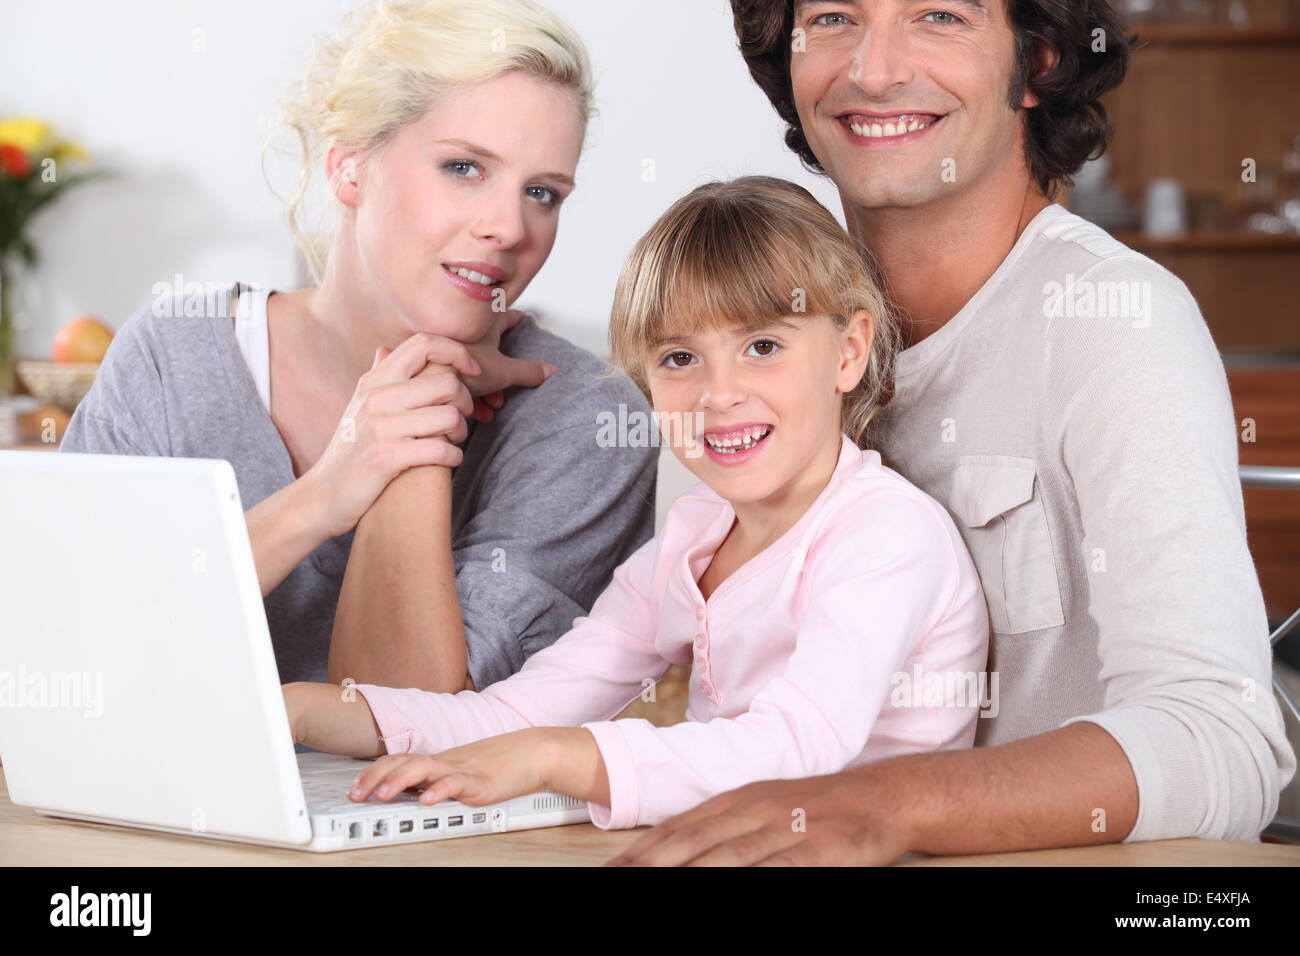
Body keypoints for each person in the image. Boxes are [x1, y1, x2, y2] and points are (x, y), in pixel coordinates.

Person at [607, 0, 1296, 864]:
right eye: (831, 18)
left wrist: (883, 806)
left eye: (939, 15)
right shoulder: (731, 352)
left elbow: (1221, 740)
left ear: (1040, 58)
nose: (875, 69)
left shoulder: (1115, 323)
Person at [280, 176, 990, 828]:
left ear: (848, 351)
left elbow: (795, 750)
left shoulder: (888, 536)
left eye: (763, 346)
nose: (719, 394)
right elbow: (512, 716)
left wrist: (556, 757)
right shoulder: (692, 539)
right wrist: (304, 709)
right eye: (680, 359)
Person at [59, 0, 657, 699]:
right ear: (347, 169)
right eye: (464, 167)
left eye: (543, 193)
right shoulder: (172, 358)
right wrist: (321, 497)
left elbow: (409, 730)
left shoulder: (585, 419)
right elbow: (67, 652)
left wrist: (424, 400)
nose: (509, 226)